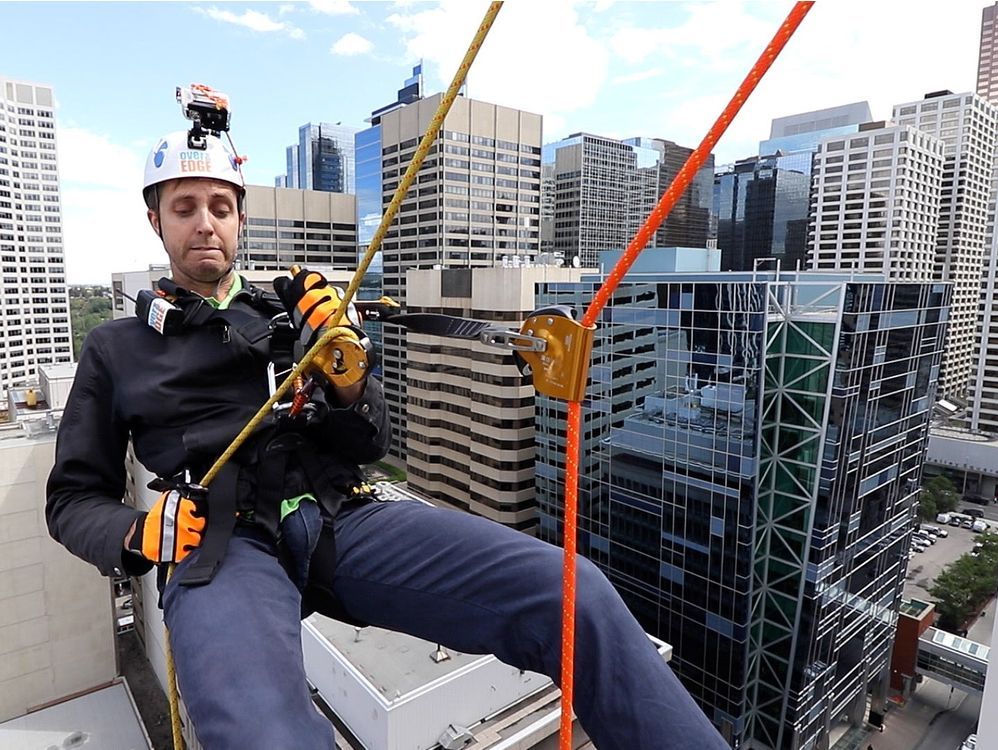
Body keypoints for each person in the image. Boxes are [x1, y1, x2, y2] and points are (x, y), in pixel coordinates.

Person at [46, 127, 728, 750]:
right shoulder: (116, 348)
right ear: (155, 219)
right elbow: (73, 500)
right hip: (219, 544)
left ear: (240, 218)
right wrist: (141, 534)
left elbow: (369, 440)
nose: (204, 224)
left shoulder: (291, 313)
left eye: (219, 207)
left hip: (337, 515)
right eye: (185, 207)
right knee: (264, 736)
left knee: (572, 593)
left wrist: (347, 373)